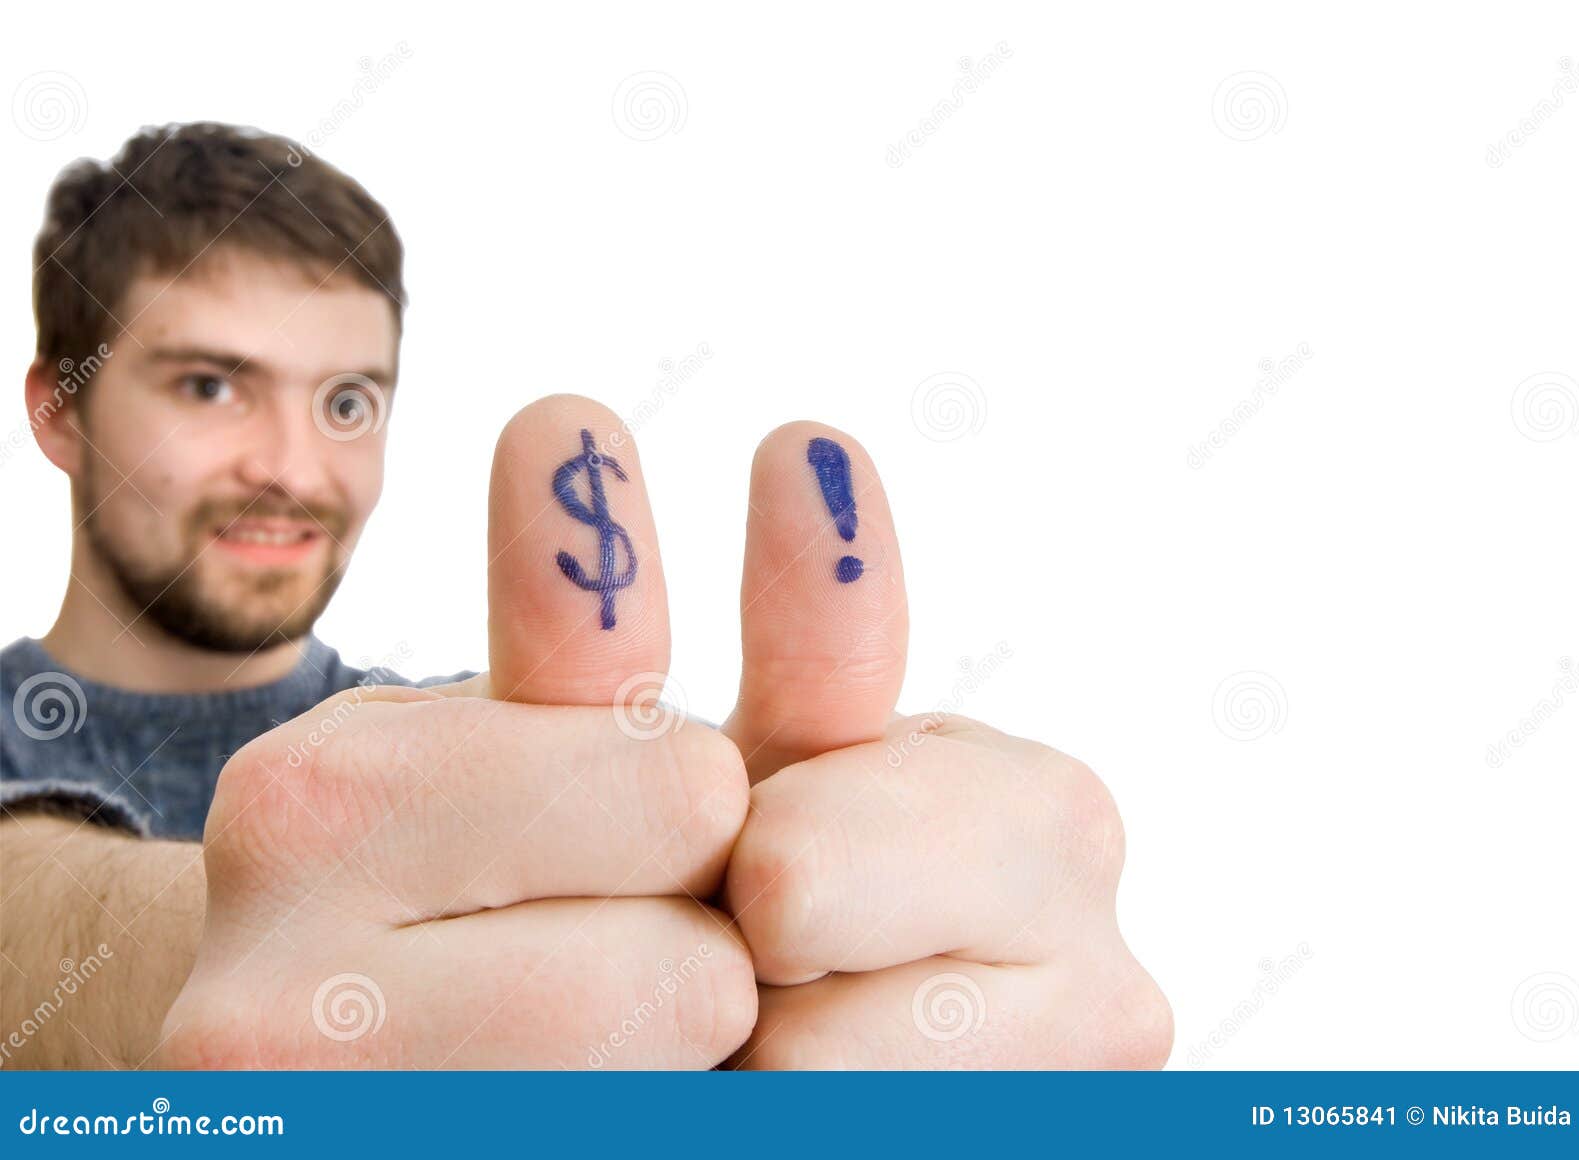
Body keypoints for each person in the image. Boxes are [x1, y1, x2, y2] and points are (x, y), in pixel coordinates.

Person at [1, 122, 1171, 1069]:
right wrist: (164, 960)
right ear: (60, 407)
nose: (295, 468)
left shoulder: (493, 761)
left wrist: (817, 952)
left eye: (347, 401)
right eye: (212, 386)